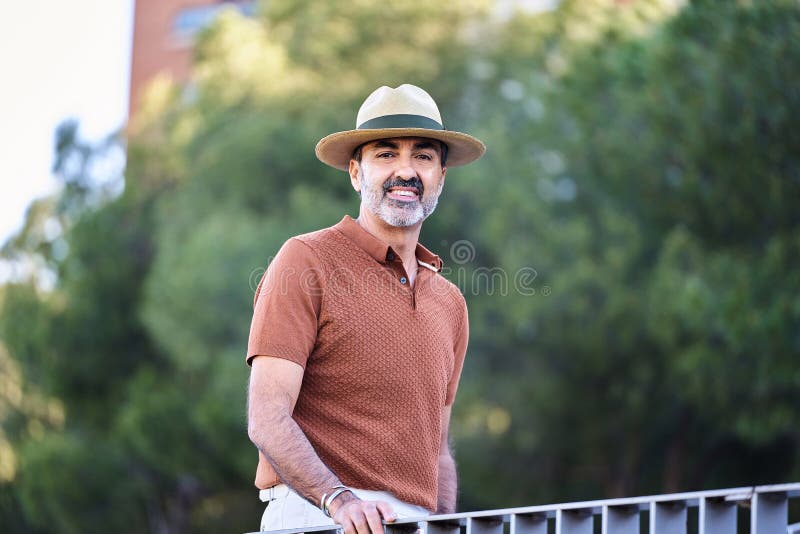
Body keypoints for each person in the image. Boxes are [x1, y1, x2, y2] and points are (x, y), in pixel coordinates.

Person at [246, 84, 486, 534]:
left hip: (414, 524)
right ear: (356, 173)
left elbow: (437, 449)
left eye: (423, 156)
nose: (406, 171)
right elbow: (267, 418)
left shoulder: (450, 302)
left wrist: (445, 523)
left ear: (441, 176)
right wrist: (338, 501)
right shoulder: (305, 260)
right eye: (386, 154)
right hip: (317, 514)